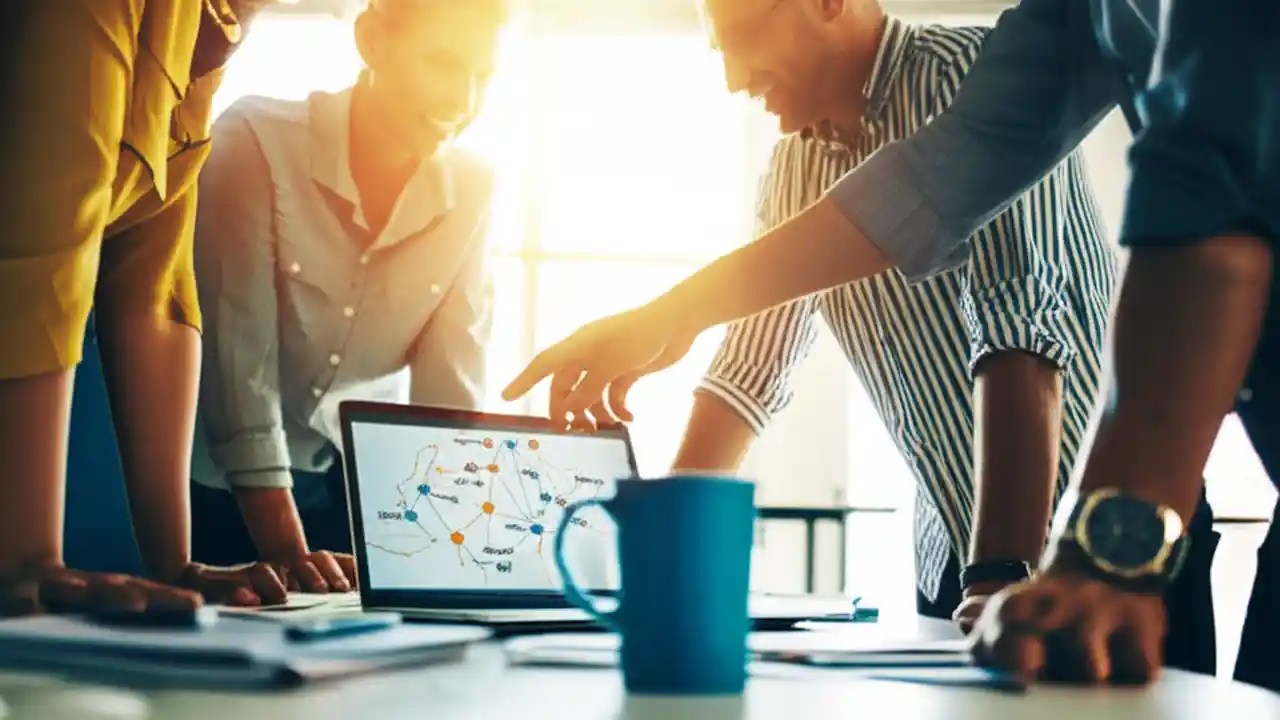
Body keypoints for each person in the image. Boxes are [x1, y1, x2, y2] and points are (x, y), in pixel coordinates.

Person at [500, 0, 1278, 690]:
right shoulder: (1063, 20)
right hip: (975, 542)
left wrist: (1062, 560)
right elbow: (914, 201)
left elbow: (1164, 240)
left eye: (744, 38)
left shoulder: (953, 66)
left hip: (1084, 525)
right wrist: (669, 317)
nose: (735, 78)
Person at [670, 1, 1134, 644]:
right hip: (954, 549)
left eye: (744, 37)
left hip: (1093, 539)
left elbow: (1020, 326)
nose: (733, 80)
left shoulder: (975, 75)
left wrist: (1000, 575)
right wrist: (662, 553)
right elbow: (751, 367)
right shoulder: (792, 170)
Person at [189, 0, 505, 593]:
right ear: (372, 40)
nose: (462, 100)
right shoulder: (254, 141)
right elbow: (238, 370)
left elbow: (450, 396)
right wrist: (287, 550)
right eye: (443, 64)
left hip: (354, 498)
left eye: (482, 77)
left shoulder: (473, 188)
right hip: (223, 493)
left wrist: (459, 559)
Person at [0, 0, 288, 615]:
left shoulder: (209, 33)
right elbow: (41, 233)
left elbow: (156, 295)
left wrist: (174, 565)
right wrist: (28, 563)